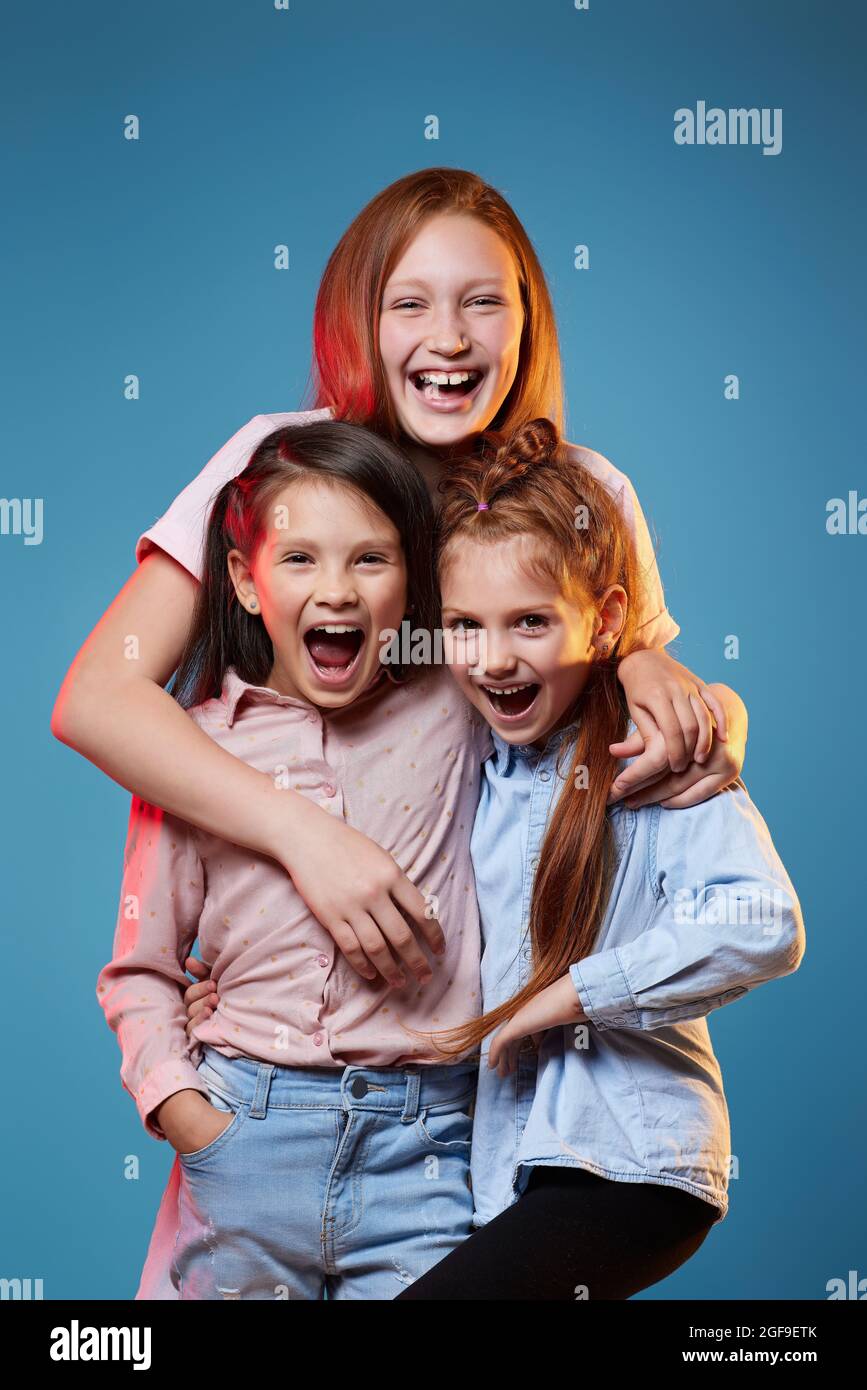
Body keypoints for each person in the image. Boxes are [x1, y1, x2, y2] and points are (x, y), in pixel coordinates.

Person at [53, 167, 747, 1296]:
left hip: (455, 1111)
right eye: (410, 301)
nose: (450, 336)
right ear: (357, 320)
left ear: (529, 320)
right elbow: (99, 695)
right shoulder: (281, 462)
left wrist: (677, 680)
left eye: (486, 300)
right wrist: (301, 836)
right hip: (264, 1100)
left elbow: (669, 737)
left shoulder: (581, 492)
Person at [391, 418, 805, 1299]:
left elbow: (763, 922)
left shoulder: (649, 756)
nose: (493, 657)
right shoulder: (479, 766)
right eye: (464, 625)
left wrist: (572, 996)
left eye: (531, 622)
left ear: (606, 616)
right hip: (514, 1166)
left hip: (628, 1160)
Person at [97, 419, 490, 1299]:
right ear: (244, 580)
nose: (337, 591)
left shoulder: (461, 708)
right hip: (247, 1131)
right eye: (300, 559)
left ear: (413, 581)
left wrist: (668, 672)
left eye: (371, 561)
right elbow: (138, 970)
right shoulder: (191, 753)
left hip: (424, 1150)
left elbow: (573, 659)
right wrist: (187, 1114)